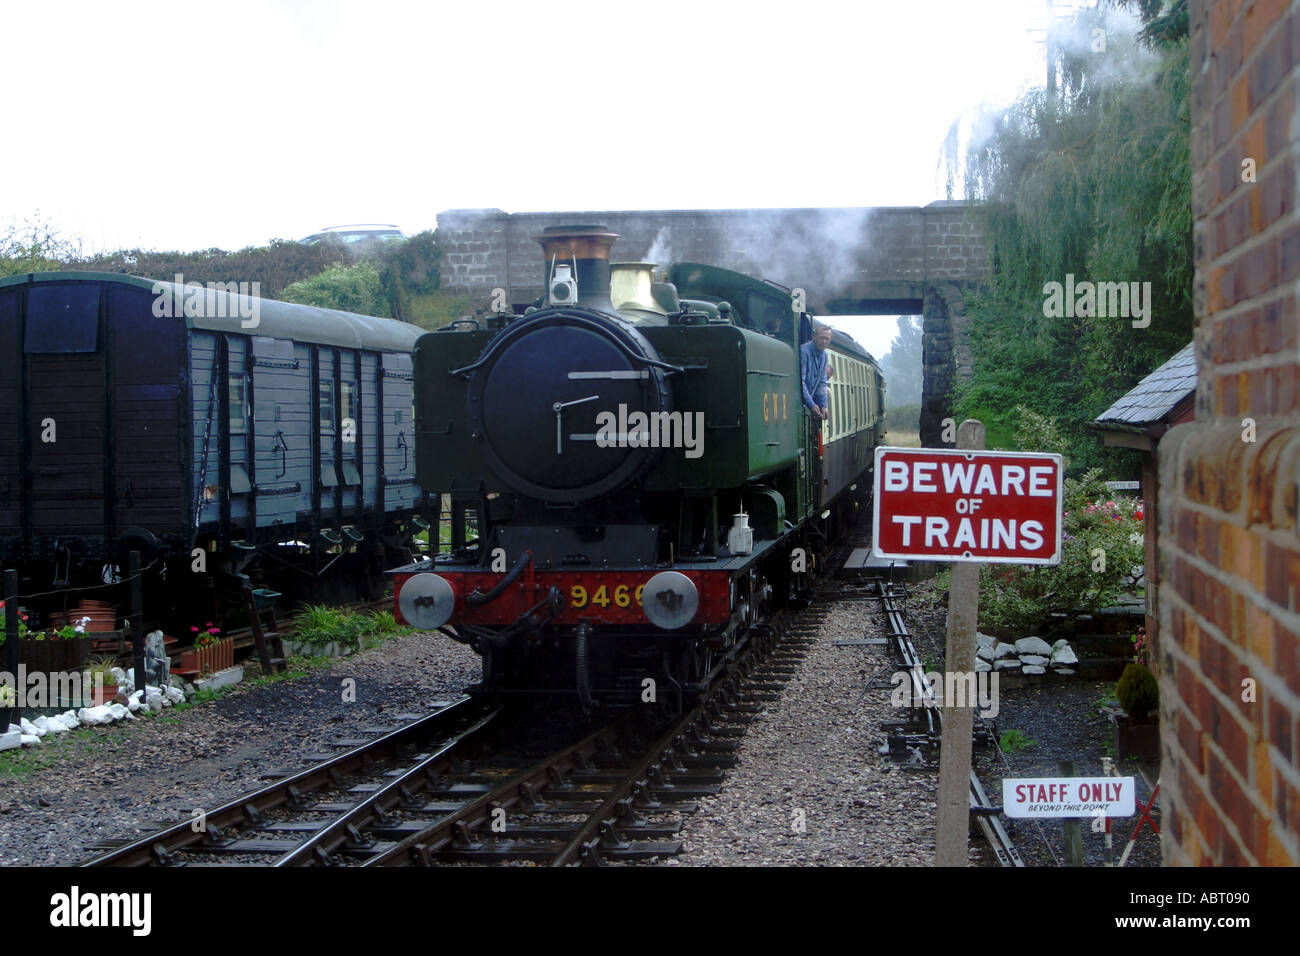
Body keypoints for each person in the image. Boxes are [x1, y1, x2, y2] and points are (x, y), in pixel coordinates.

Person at [800, 322, 832, 420]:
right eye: (822, 338)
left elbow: (822, 383)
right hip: (800, 402)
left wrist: (823, 405)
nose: (824, 341)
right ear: (814, 337)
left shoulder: (824, 356)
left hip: (808, 404)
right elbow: (801, 382)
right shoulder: (803, 352)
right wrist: (812, 404)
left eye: (827, 339)